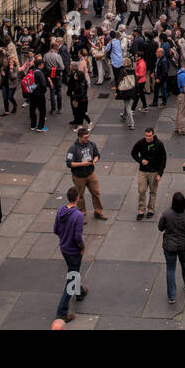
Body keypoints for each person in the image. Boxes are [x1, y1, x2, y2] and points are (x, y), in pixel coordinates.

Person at [53, 187, 86, 323]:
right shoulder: (78, 215)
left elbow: (55, 229)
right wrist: (82, 247)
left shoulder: (61, 211)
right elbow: (78, 237)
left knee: (73, 271)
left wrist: (64, 238)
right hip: (73, 251)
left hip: (64, 248)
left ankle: (80, 292)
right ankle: (62, 312)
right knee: (71, 279)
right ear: (77, 198)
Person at [158, 191, 185, 304]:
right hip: (184, 244)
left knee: (170, 269)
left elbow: (160, 228)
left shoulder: (166, 214)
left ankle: (172, 296)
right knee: (184, 262)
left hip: (170, 246)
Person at [66, 126, 106, 219]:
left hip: (91, 174)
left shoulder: (91, 144)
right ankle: (82, 215)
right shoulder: (73, 148)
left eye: (88, 136)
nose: (88, 139)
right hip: (79, 177)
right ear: (80, 137)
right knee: (80, 197)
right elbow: (69, 163)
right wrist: (82, 164)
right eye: (86, 137)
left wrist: (94, 161)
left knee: (96, 193)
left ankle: (98, 211)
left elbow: (97, 155)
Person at [131, 126, 167, 219]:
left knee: (153, 191)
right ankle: (141, 210)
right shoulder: (141, 142)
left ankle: (151, 209)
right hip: (143, 170)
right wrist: (140, 160)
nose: (147, 138)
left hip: (154, 171)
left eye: (149, 136)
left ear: (153, 135)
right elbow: (133, 152)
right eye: (146, 136)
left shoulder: (159, 144)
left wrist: (160, 173)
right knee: (141, 190)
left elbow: (163, 159)